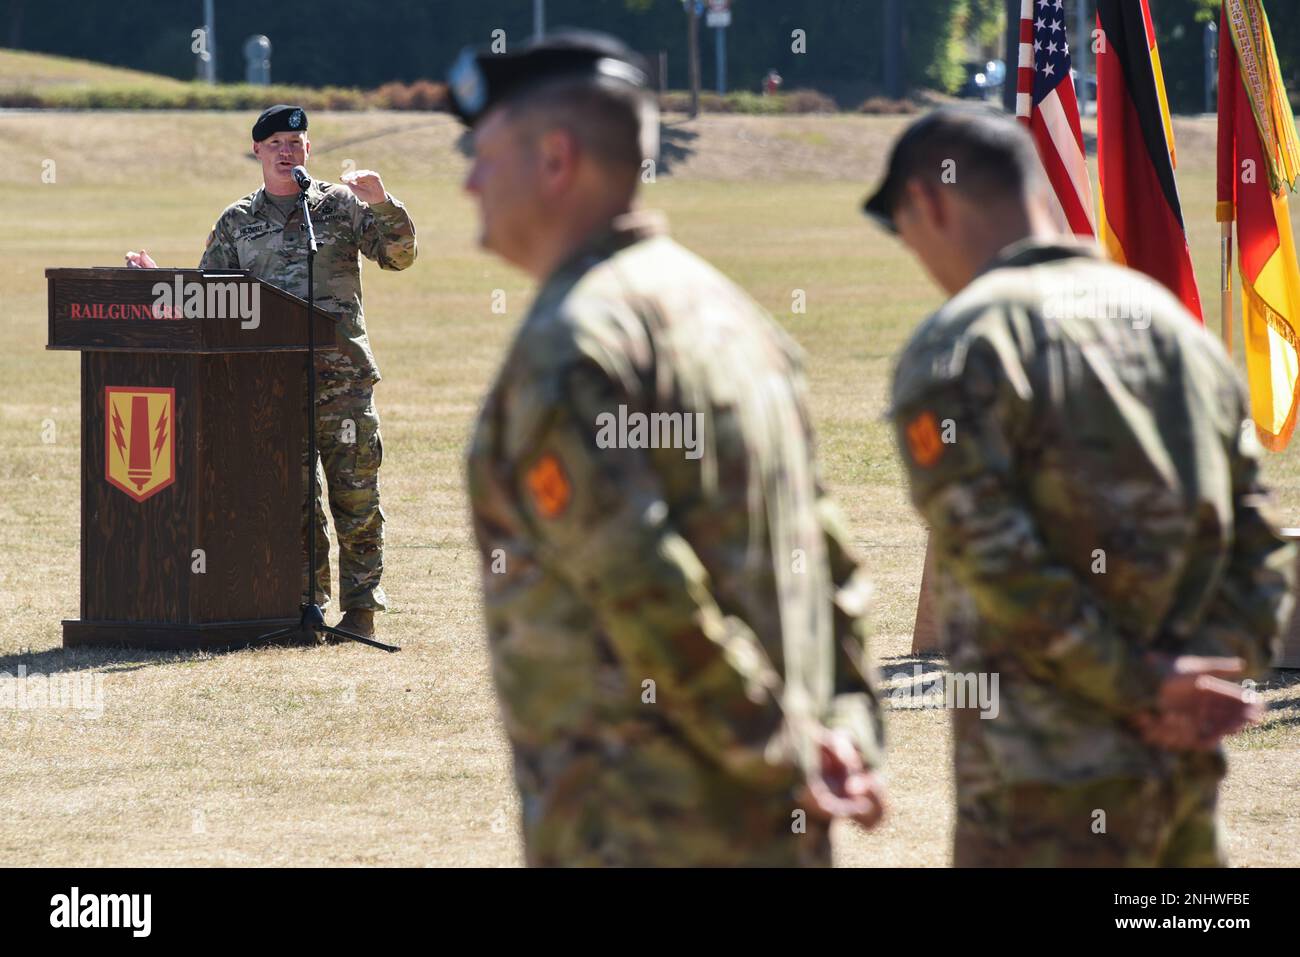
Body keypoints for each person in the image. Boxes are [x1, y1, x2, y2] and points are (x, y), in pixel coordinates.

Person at [452, 30, 886, 866]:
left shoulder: (574, 341)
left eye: (484, 151)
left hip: (648, 829)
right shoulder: (732, 314)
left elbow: (643, 584)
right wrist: (844, 732)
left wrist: (783, 744)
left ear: (555, 159)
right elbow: (827, 556)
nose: (469, 178)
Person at [864, 107, 1295, 866]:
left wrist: (1140, 684)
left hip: (1040, 790)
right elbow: (1258, 533)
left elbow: (994, 560)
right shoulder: (1173, 327)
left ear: (930, 201)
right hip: (1182, 773)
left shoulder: (962, 346)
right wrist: (1213, 674)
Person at [126, 105, 418, 640]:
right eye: (276, 142)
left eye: (297, 141)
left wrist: (383, 204)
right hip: (268, 385)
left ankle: (361, 610)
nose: (287, 150)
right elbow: (209, 295)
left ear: (308, 151)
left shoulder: (338, 207)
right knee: (290, 502)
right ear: (258, 150)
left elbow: (398, 258)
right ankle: (303, 608)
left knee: (356, 495)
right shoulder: (237, 221)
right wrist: (159, 280)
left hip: (342, 380)